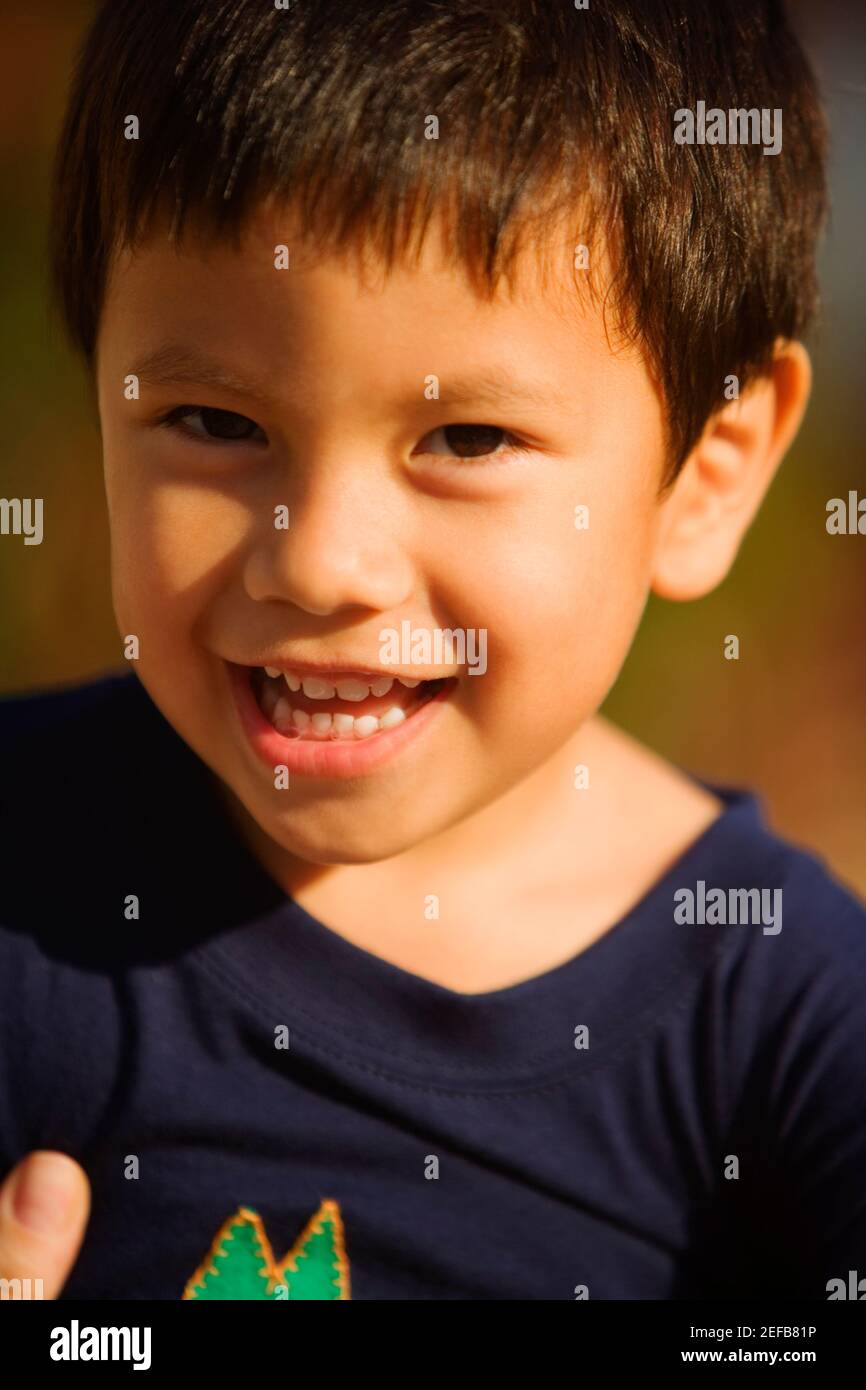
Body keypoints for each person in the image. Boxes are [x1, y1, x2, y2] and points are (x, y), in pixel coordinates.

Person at [1, 0, 863, 1300]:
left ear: (701, 478)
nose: (316, 560)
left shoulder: (790, 1024)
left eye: (465, 441)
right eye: (212, 420)